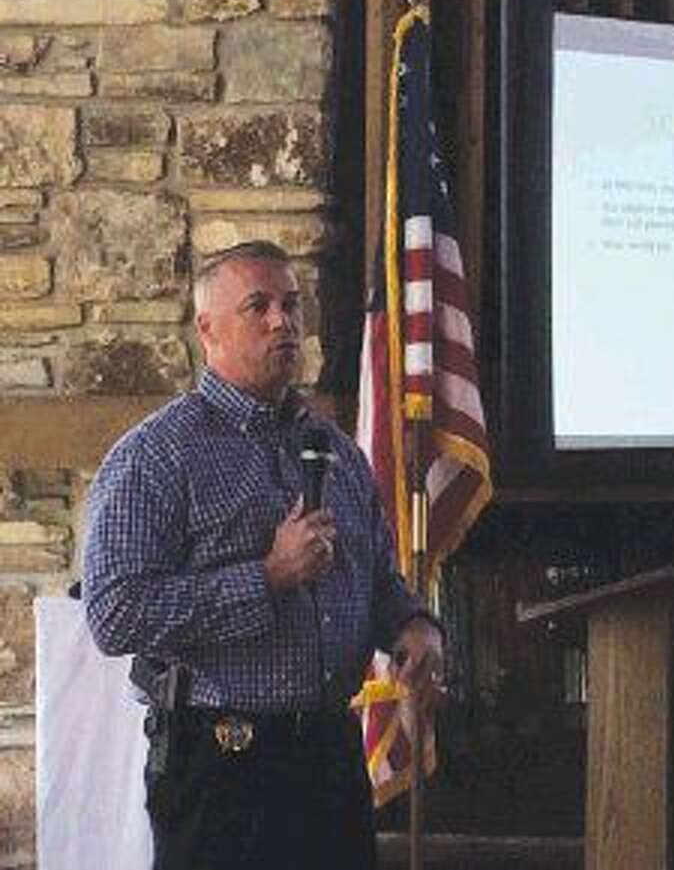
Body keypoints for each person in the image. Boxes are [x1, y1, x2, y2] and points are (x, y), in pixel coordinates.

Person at [82, 240, 444, 870]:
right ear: (207, 330)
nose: (283, 321)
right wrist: (268, 577)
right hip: (223, 765)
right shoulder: (156, 457)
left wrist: (413, 624)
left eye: (291, 305)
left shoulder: (337, 452)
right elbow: (115, 613)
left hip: (330, 755)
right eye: (258, 306)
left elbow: (377, 577)